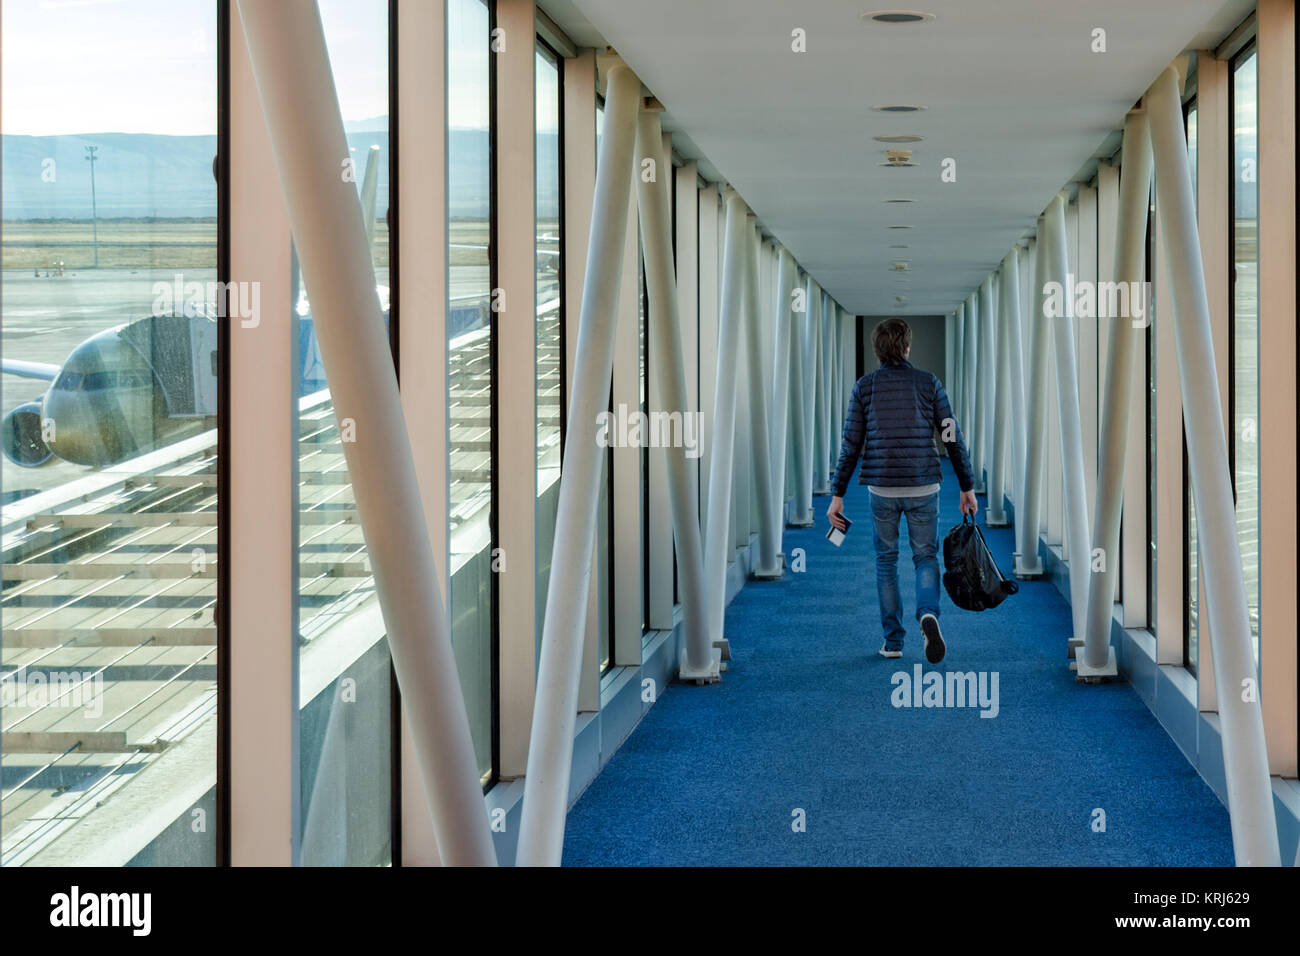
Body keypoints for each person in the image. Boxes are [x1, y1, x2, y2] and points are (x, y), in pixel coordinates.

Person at [826, 318, 976, 663]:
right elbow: (951, 435)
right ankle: (928, 615)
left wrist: (838, 494)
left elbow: (851, 444)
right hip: (925, 484)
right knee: (925, 556)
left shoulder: (864, 388)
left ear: (877, 351)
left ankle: (893, 642)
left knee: (886, 561)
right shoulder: (929, 383)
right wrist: (966, 485)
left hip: (882, 488)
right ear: (907, 347)